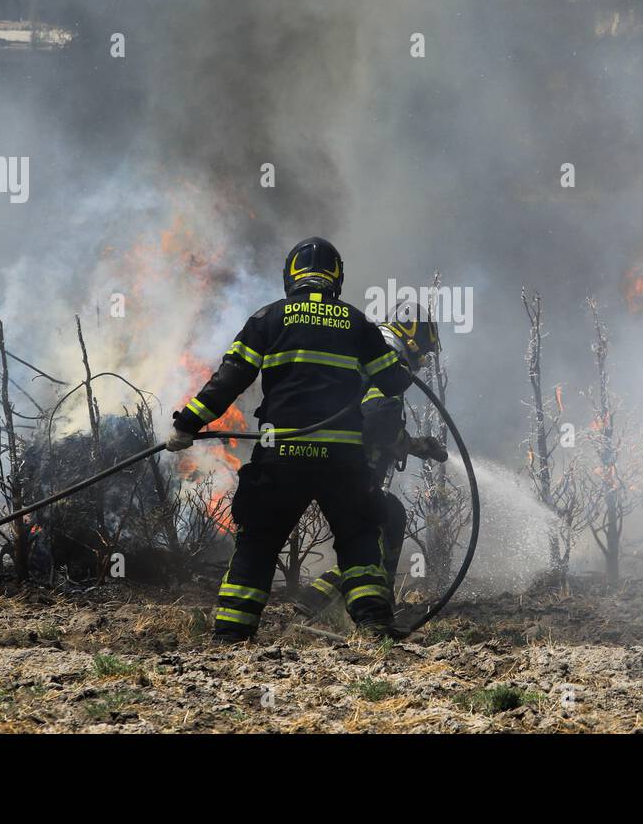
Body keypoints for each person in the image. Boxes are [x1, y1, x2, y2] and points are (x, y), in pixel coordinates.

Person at [166, 237, 412, 642]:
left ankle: (231, 637)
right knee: (359, 540)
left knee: (258, 544)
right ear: (337, 278)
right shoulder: (357, 323)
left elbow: (229, 379)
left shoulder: (267, 319)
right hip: (343, 460)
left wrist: (188, 424)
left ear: (290, 276)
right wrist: (396, 366)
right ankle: (374, 628)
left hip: (283, 456)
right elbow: (392, 380)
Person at [296, 303, 447, 622]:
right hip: (349, 467)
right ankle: (318, 599)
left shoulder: (366, 351)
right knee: (371, 530)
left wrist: (417, 446)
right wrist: (401, 442)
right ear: (413, 337)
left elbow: (372, 416)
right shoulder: (386, 359)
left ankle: (379, 598)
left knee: (390, 515)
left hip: (327, 460)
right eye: (424, 352)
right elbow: (378, 419)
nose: (422, 361)